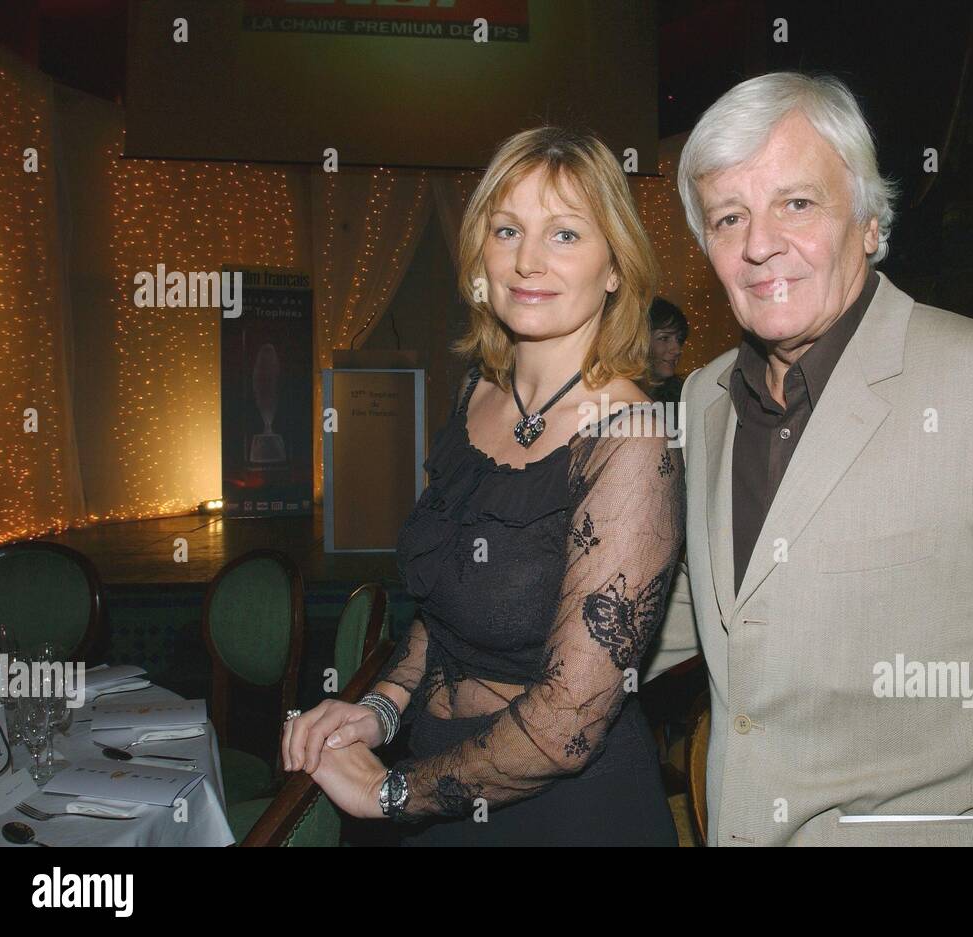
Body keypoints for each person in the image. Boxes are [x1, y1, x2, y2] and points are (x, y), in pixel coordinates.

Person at [653, 71, 973, 845]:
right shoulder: (706, 397)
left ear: (871, 224)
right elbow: (710, 604)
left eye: (797, 203)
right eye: (728, 216)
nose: (758, 243)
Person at [282, 126, 684, 846]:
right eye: (507, 229)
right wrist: (380, 707)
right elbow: (442, 610)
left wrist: (388, 788)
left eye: (565, 234)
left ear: (616, 266)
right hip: (437, 773)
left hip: (564, 815)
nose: (528, 259)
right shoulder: (476, 395)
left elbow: (567, 723)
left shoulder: (630, 436)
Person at [647, 297, 689, 405]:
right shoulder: (614, 393)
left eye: (679, 340)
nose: (677, 350)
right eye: (664, 338)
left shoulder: (684, 398)